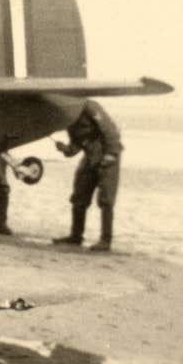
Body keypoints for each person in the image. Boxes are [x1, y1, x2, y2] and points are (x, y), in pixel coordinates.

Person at [52, 99, 122, 252]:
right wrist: (66, 149)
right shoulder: (69, 112)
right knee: (79, 196)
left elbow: (110, 130)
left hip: (106, 155)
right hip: (90, 157)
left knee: (106, 199)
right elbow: (76, 145)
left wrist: (111, 154)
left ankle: (106, 240)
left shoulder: (89, 106)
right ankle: (76, 237)